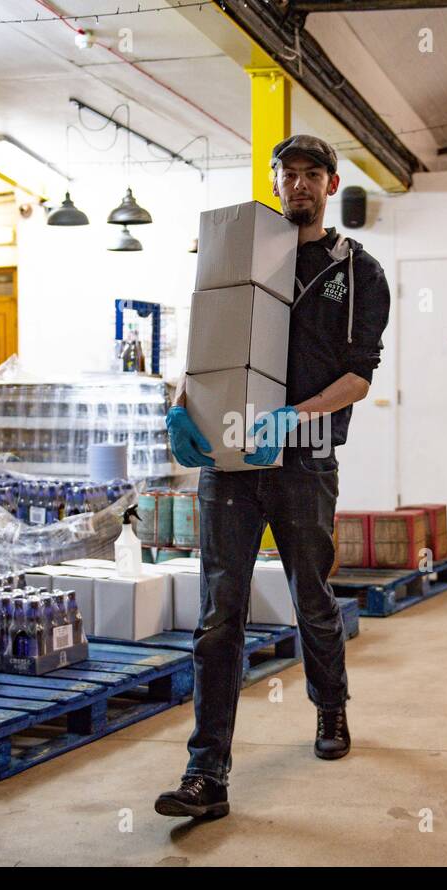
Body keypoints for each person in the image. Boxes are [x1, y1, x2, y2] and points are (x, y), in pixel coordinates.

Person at [155, 134, 391, 820]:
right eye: (287, 174)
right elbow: (209, 350)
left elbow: (359, 376)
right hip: (231, 462)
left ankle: (330, 709)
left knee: (311, 597)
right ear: (274, 181)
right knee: (216, 617)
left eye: (311, 173)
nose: (298, 184)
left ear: (330, 182)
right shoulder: (241, 257)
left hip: (305, 459)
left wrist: (294, 418)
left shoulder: (357, 270)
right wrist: (181, 408)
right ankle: (207, 775)